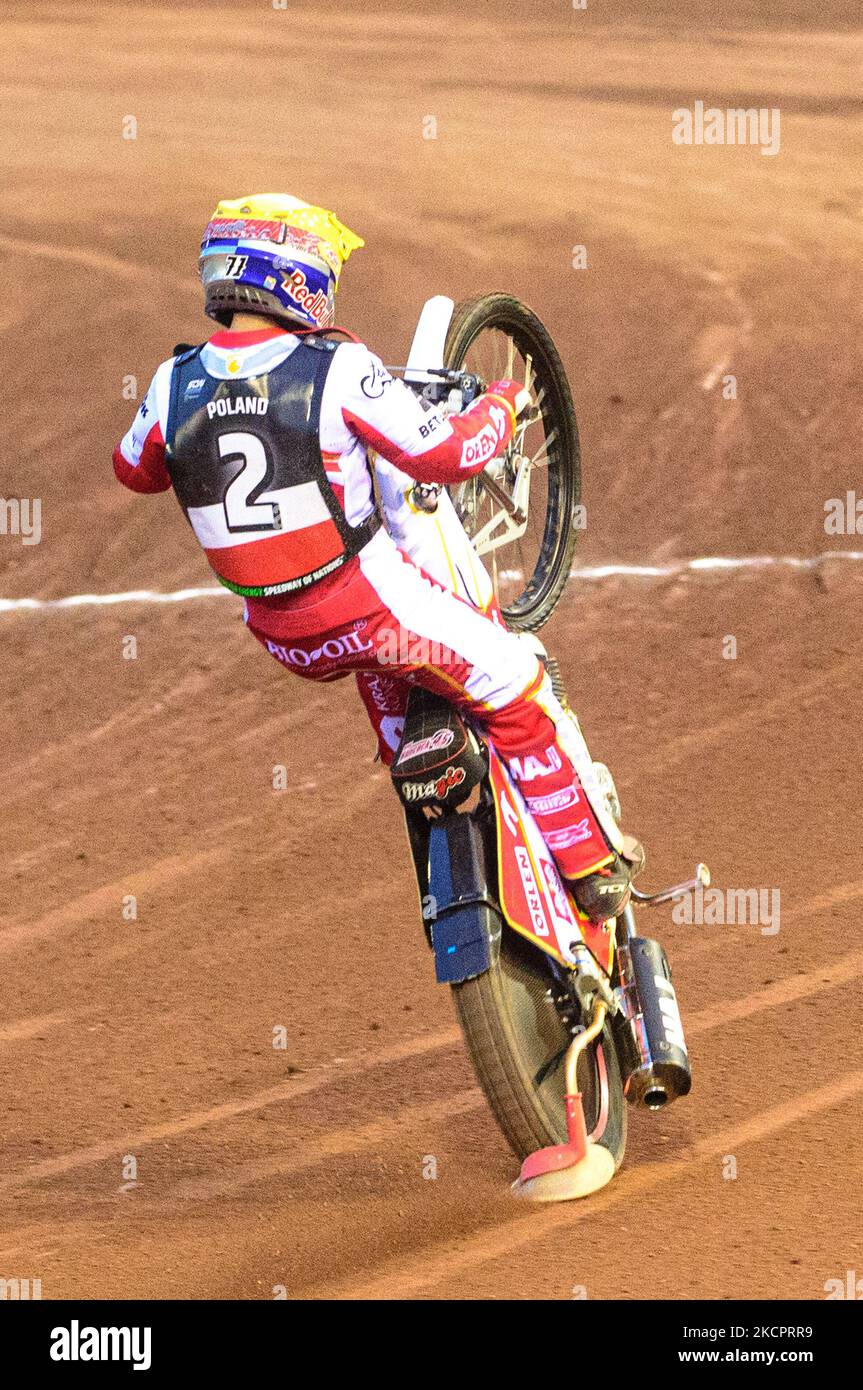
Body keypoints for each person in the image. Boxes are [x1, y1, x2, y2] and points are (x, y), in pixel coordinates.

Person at [113, 193, 642, 921]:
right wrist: (504, 405)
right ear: (296, 275)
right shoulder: (336, 367)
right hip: (374, 610)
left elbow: (132, 469)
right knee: (518, 684)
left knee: (396, 699)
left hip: (283, 639)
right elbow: (448, 454)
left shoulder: (174, 382)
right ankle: (592, 870)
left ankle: (440, 864)